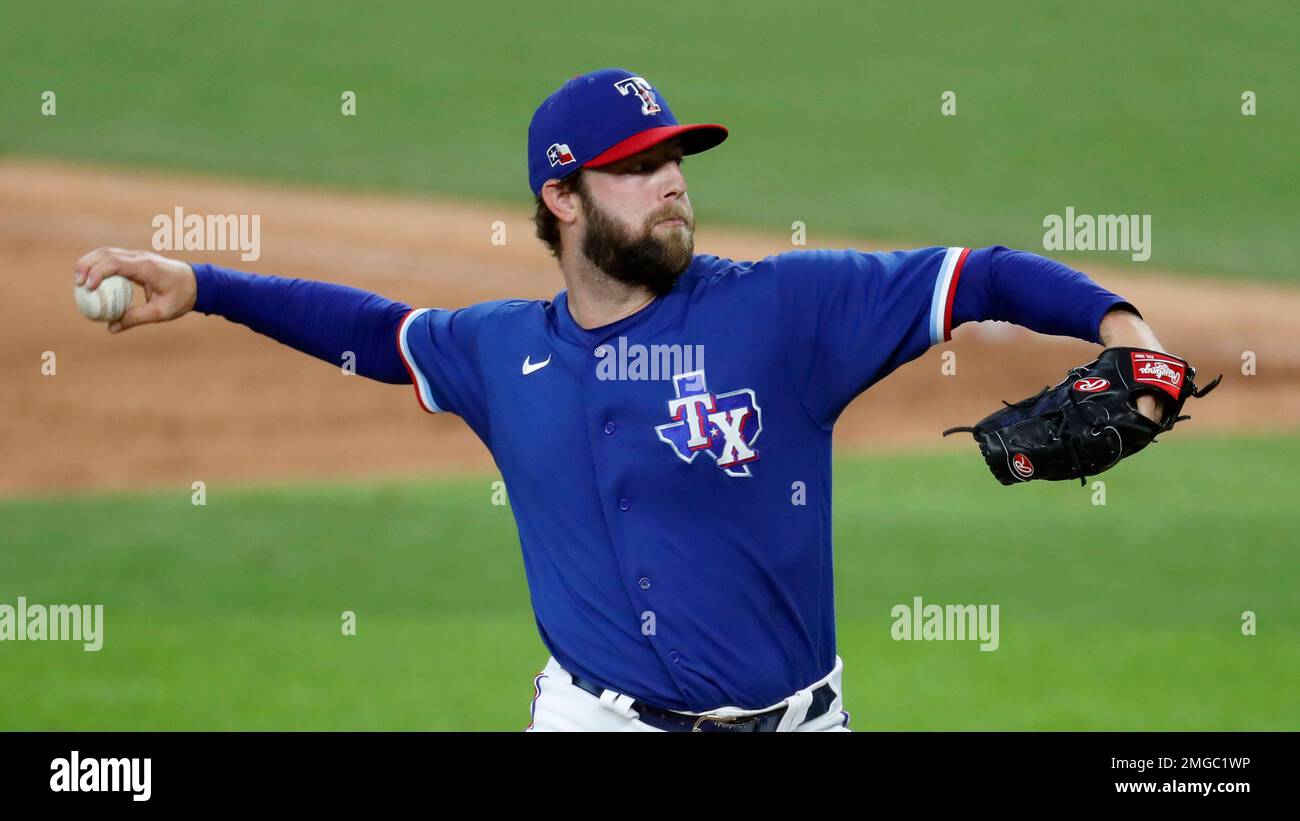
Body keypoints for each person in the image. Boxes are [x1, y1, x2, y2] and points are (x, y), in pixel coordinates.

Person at [73, 68, 1167, 732]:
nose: (674, 179)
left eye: (677, 156)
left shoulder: (785, 311)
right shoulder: (500, 351)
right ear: (561, 196)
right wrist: (205, 286)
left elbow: (974, 274)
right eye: (638, 165)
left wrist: (1123, 330)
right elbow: (374, 331)